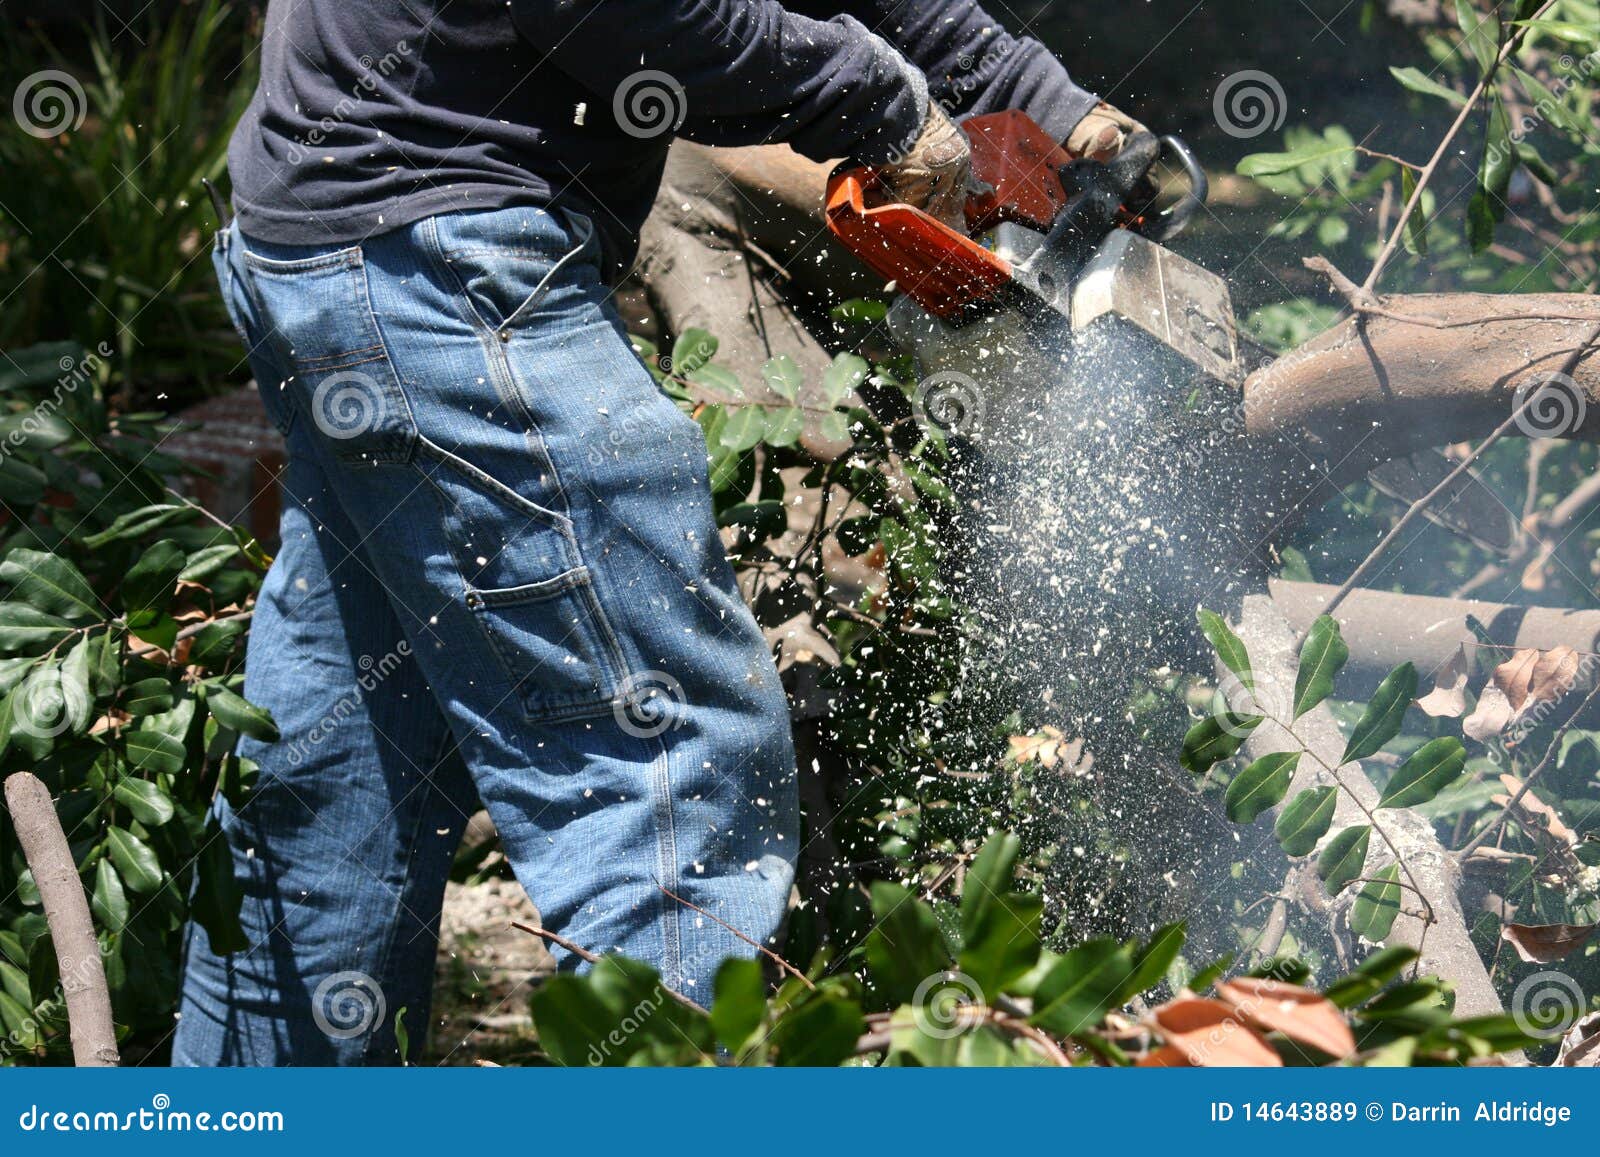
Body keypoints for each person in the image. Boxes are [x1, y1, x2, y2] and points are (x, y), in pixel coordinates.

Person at [175, 0, 1144, 1065]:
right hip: (435, 266)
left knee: (353, 753)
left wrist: (1034, 96)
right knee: (667, 757)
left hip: (340, 243)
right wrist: (876, 101)